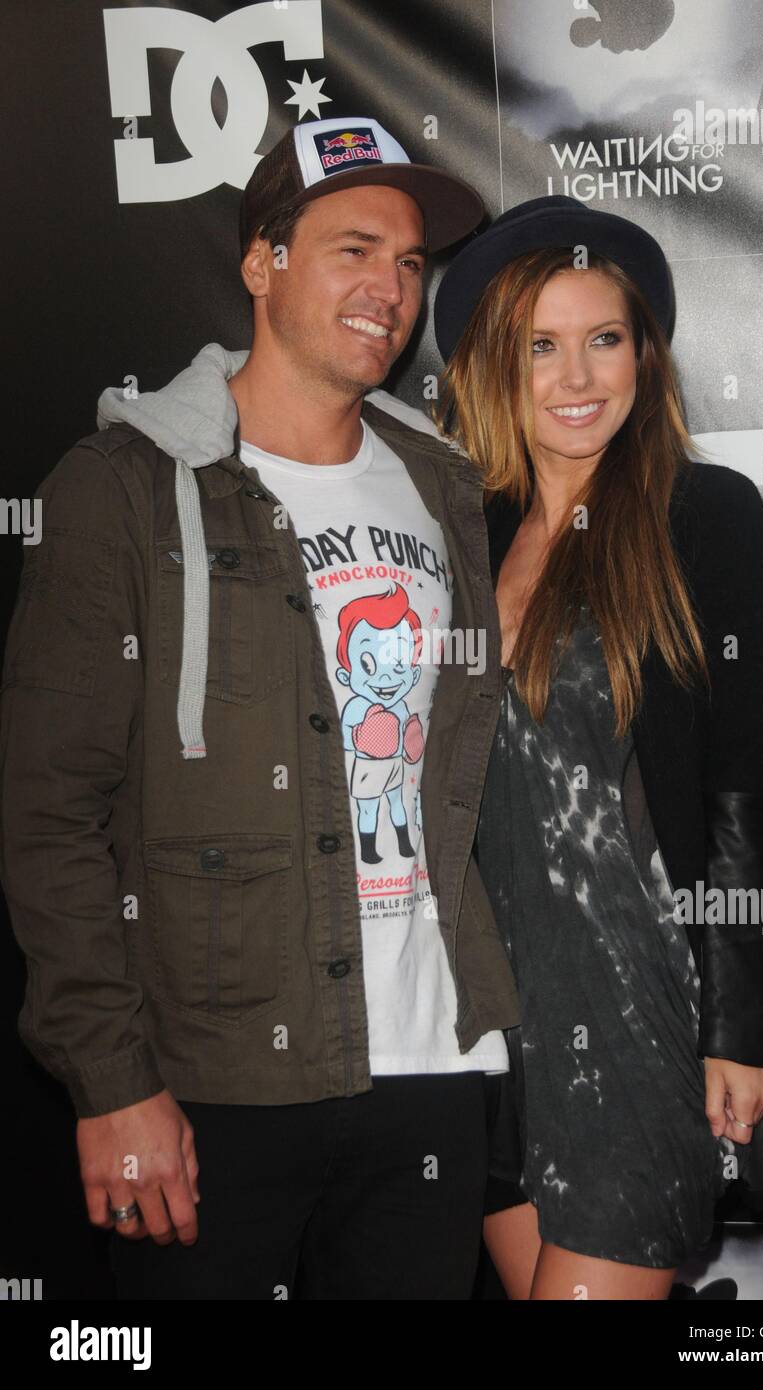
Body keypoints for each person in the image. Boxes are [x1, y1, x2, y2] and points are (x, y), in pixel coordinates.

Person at [0, 115, 523, 1300]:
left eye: (406, 262)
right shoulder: (125, 489)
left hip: (430, 1064)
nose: (388, 289)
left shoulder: (445, 485)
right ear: (260, 262)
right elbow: (48, 811)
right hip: (210, 1080)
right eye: (351, 249)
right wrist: (110, 1078)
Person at [431, 194, 763, 1300]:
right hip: (493, 1022)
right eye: (539, 346)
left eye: (604, 338)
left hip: (642, 1011)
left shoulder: (705, 515)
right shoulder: (462, 530)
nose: (576, 377)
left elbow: (749, 782)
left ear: (644, 355)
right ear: (491, 368)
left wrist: (738, 1025)